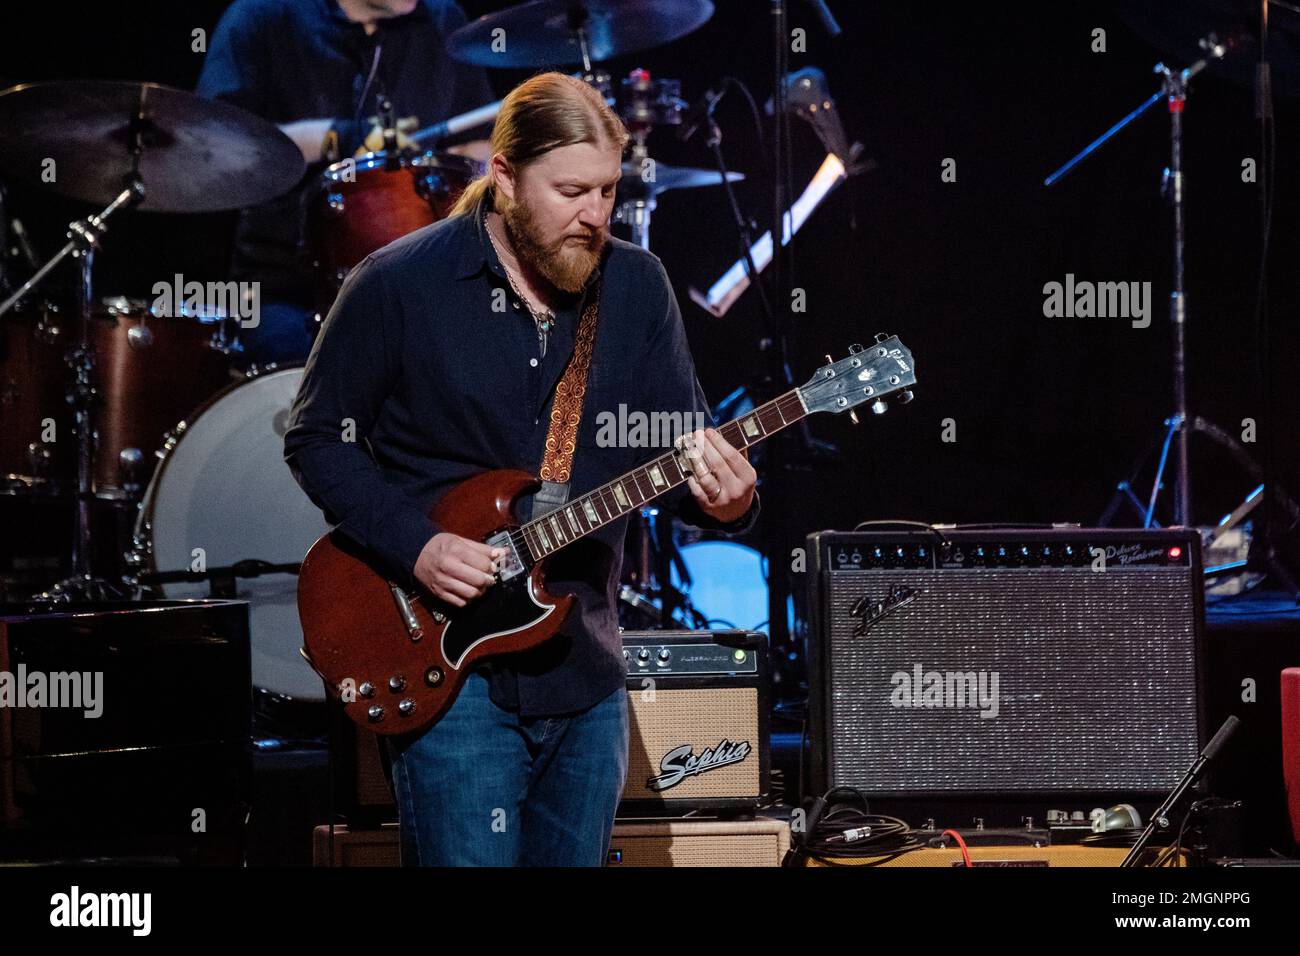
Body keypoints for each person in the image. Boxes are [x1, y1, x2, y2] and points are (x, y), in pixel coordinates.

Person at [284, 71, 759, 866]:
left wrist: (728, 500)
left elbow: (678, 451)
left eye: (608, 190)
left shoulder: (636, 286)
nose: (596, 214)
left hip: (584, 666)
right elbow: (317, 440)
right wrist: (419, 546)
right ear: (502, 176)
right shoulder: (399, 283)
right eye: (572, 189)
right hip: (448, 665)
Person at [197, 0, 494, 365]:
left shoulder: (444, 18)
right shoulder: (260, 16)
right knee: (296, 382)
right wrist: (334, 137)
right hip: (286, 285)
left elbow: (475, 147)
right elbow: (212, 145)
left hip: (421, 282)